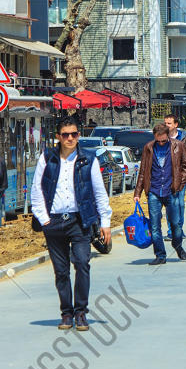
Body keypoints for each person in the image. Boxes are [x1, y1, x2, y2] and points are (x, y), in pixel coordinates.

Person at [30, 118, 112, 330]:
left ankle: (81, 312)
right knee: (61, 271)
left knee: (83, 263)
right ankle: (66, 313)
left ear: (79, 135)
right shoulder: (47, 158)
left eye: (74, 134)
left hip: (80, 220)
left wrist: (105, 222)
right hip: (54, 221)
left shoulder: (88, 159)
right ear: (58, 136)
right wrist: (44, 219)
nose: (70, 138)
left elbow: (99, 192)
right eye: (65, 134)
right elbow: (37, 190)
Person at [136, 120, 186, 265]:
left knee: (175, 224)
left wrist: (180, 184)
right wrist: (138, 192)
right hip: (154, 191)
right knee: (155, 226)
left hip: (171, 190)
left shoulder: (177, 146)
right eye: (158, 141)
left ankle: (177, 245)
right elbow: (143, 171)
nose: (161, 143)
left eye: (163, 141)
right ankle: (160, 255)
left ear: (168, 137)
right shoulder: (148, 148)